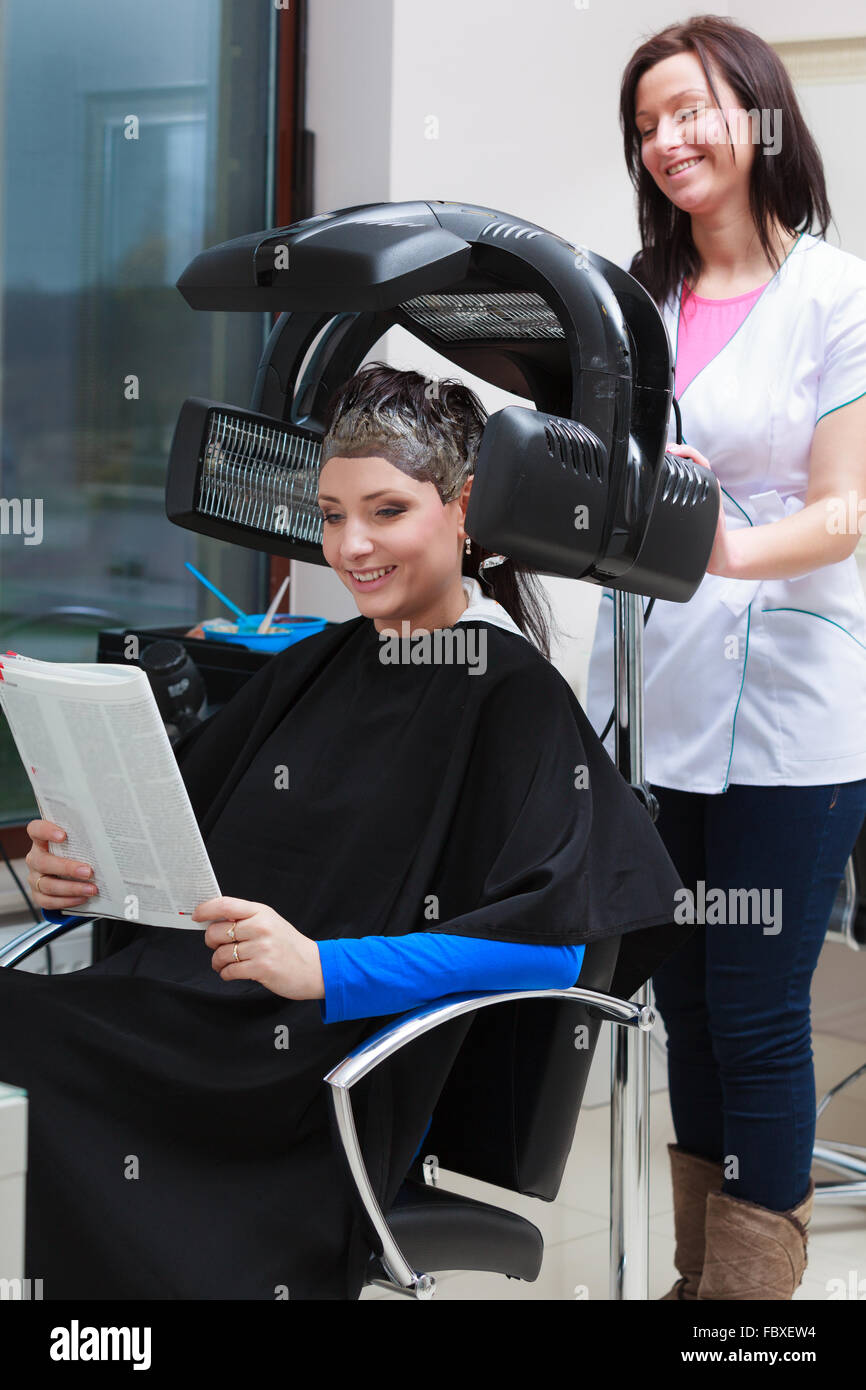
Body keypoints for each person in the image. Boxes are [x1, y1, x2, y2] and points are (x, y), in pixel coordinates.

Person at [5, 362, 690, 1301]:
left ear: (464, 508)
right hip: (201, 1015)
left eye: (386, 511)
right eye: (330, 515)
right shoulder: (319, 664)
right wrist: (72, 867)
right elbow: (172, 838)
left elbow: (552, 954)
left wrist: (324, 970)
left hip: (316, 1068)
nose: (352, 545)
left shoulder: (511, 692)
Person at [586, 15, 866, 1301]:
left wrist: (702, 539)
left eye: (688, 109)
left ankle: (750, 1307)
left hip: (790, 716)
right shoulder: (634, 303)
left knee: (754, 1011)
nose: (667, 141)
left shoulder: (836, 292)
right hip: (658, 698)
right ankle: (701, 1287)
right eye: (646, 124)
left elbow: (840, 510)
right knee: (682, 1007)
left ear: (755, 115)